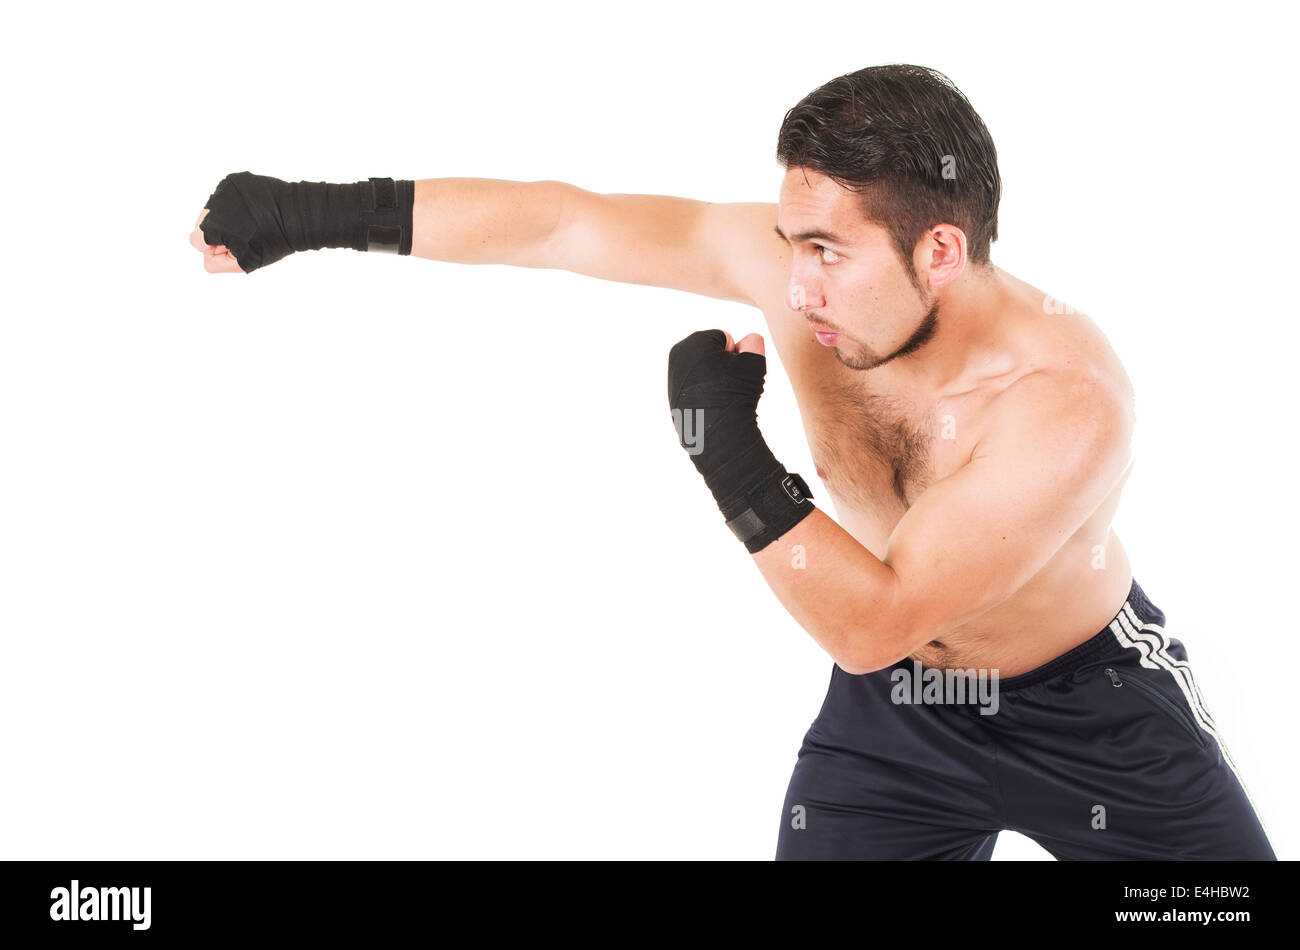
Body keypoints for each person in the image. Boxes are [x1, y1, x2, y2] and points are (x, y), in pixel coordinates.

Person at [190, 64, 1275, 860]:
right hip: (896, 710)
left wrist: (726, 448)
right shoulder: (807, 275)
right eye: (789, 238)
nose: (793, 285)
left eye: (827, 251)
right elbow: (565, 224)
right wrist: (310, 212)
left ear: (939, 251)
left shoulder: (1063, 400)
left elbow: (875, 617)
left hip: (1089, 713)